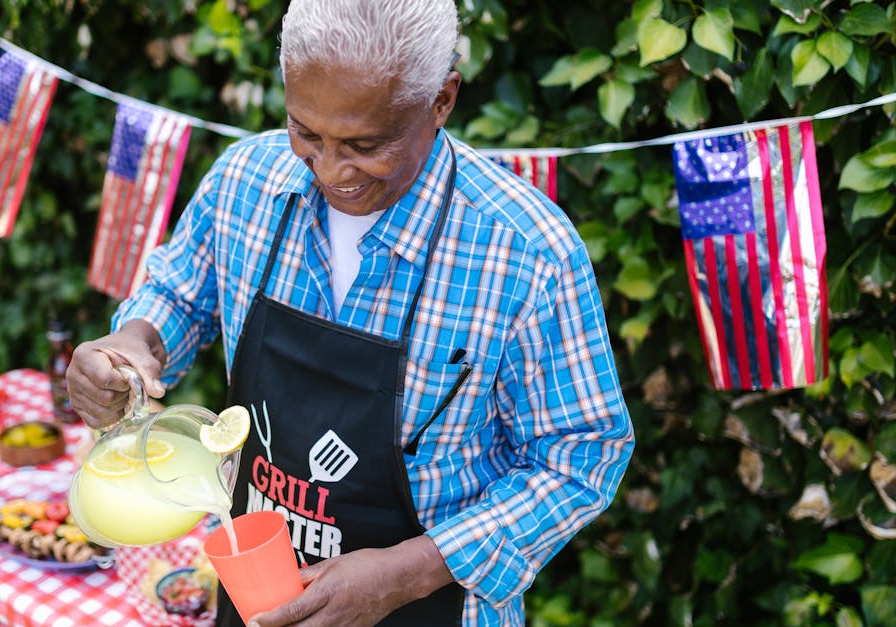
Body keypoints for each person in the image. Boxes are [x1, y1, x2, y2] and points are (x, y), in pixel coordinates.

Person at [66, 0, 634, 624]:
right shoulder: (244, 181)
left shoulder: (526, 252)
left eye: (365, 145)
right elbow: (176, 294)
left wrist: (408, 572)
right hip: (257, 596)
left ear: (441, 101)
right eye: (306, 133)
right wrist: (131, 342)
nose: (333, 172)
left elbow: (581, 455)